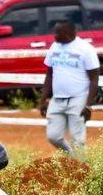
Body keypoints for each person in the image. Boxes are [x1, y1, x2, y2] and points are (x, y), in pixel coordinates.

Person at [39, 20, 99, 158]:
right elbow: (49, 74)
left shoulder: (85, 49)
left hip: (78, 98)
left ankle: (81, 167)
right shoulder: (54, 47)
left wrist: (88, 105)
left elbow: (94, 78)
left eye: (57, 32)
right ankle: (72, 158)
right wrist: (43, 99)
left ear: (68, 33)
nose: (54, 35)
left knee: (77, 140)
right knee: (53, 136)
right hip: (57, 99)